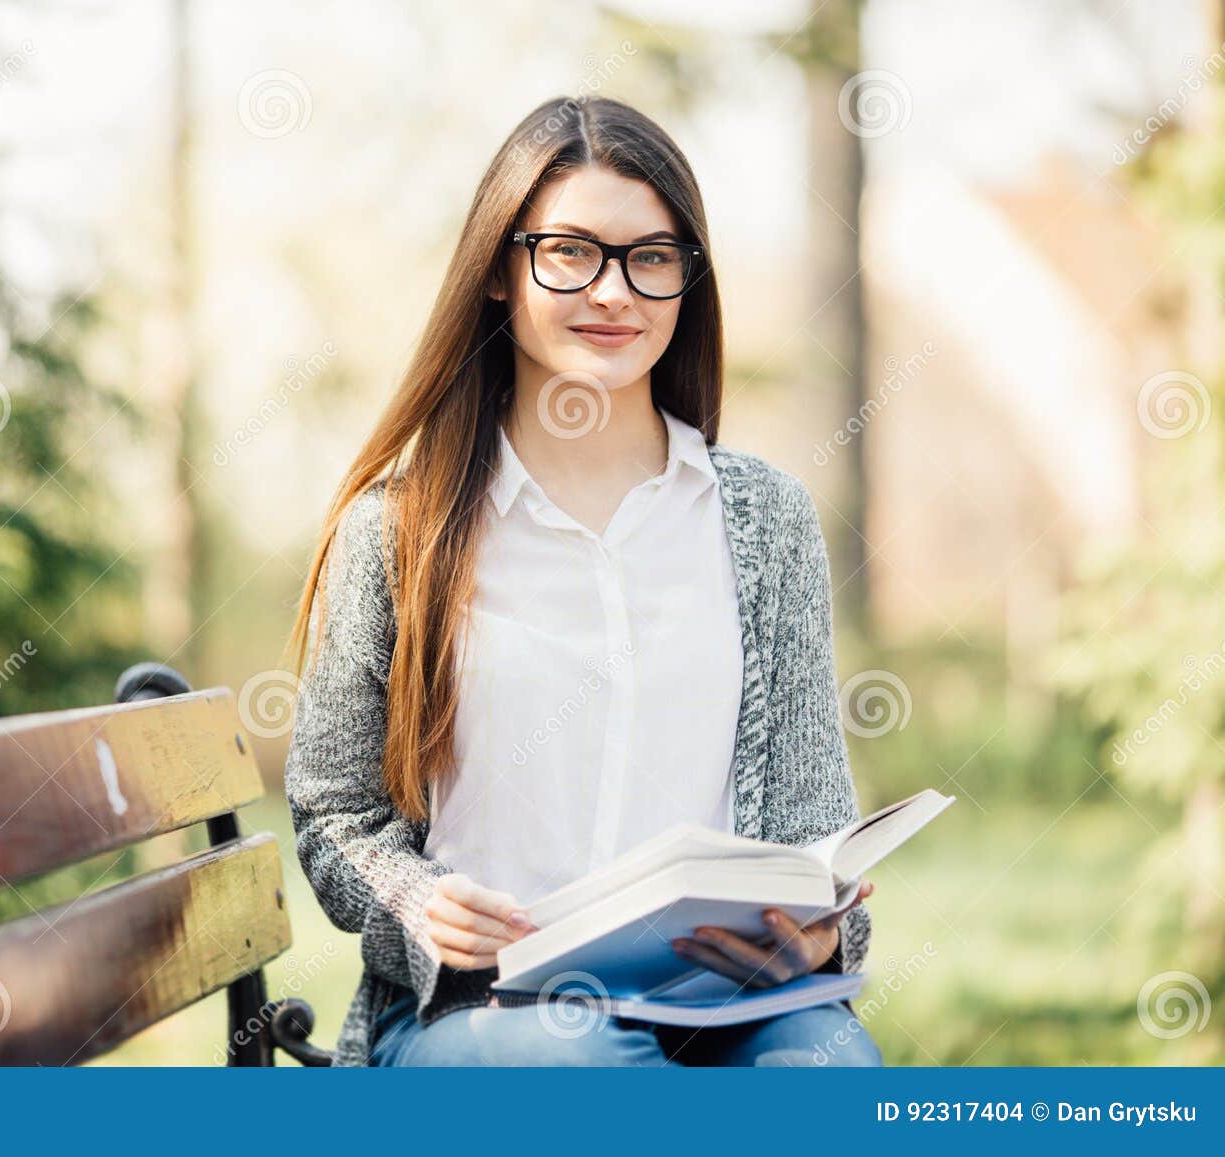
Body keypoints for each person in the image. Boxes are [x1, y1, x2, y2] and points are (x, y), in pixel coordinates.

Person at [281, 95, 880, 1068]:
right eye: (569, 251)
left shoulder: (767, 520)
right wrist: (416, 903)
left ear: (689, 280)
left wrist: (821, 927)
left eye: (651, 257)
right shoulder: (398, 527)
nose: (614, 291)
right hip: (476, 1013)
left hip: (722, 1001)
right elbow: (332, 811)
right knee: (589, 1069)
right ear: (498, 273)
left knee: (828, 1072)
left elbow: (812, 825)